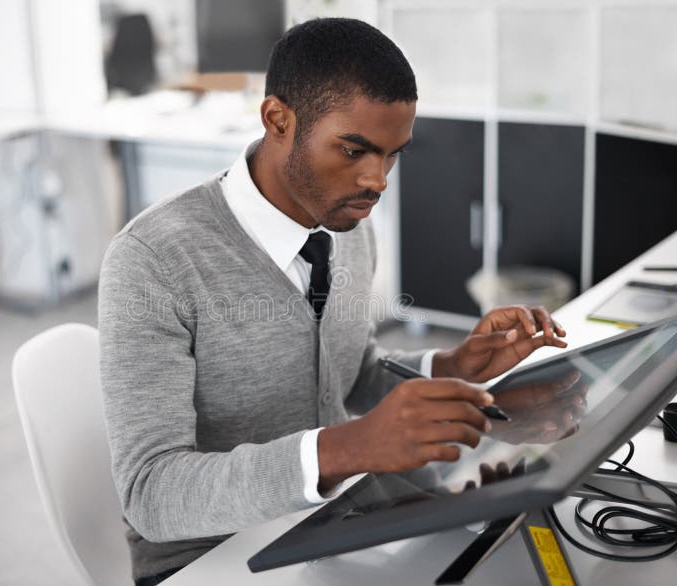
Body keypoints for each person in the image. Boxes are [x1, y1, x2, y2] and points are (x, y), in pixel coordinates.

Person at [98, 18, 567, 585]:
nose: (377, 181)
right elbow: (152, 493)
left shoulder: (345, 222)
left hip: (332, 521)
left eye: (392, 155)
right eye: (354, 150)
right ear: (277, 119)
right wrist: (345, 448)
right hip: (209, 560)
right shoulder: (153, 258)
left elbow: (351, 374)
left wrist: (451, 368)